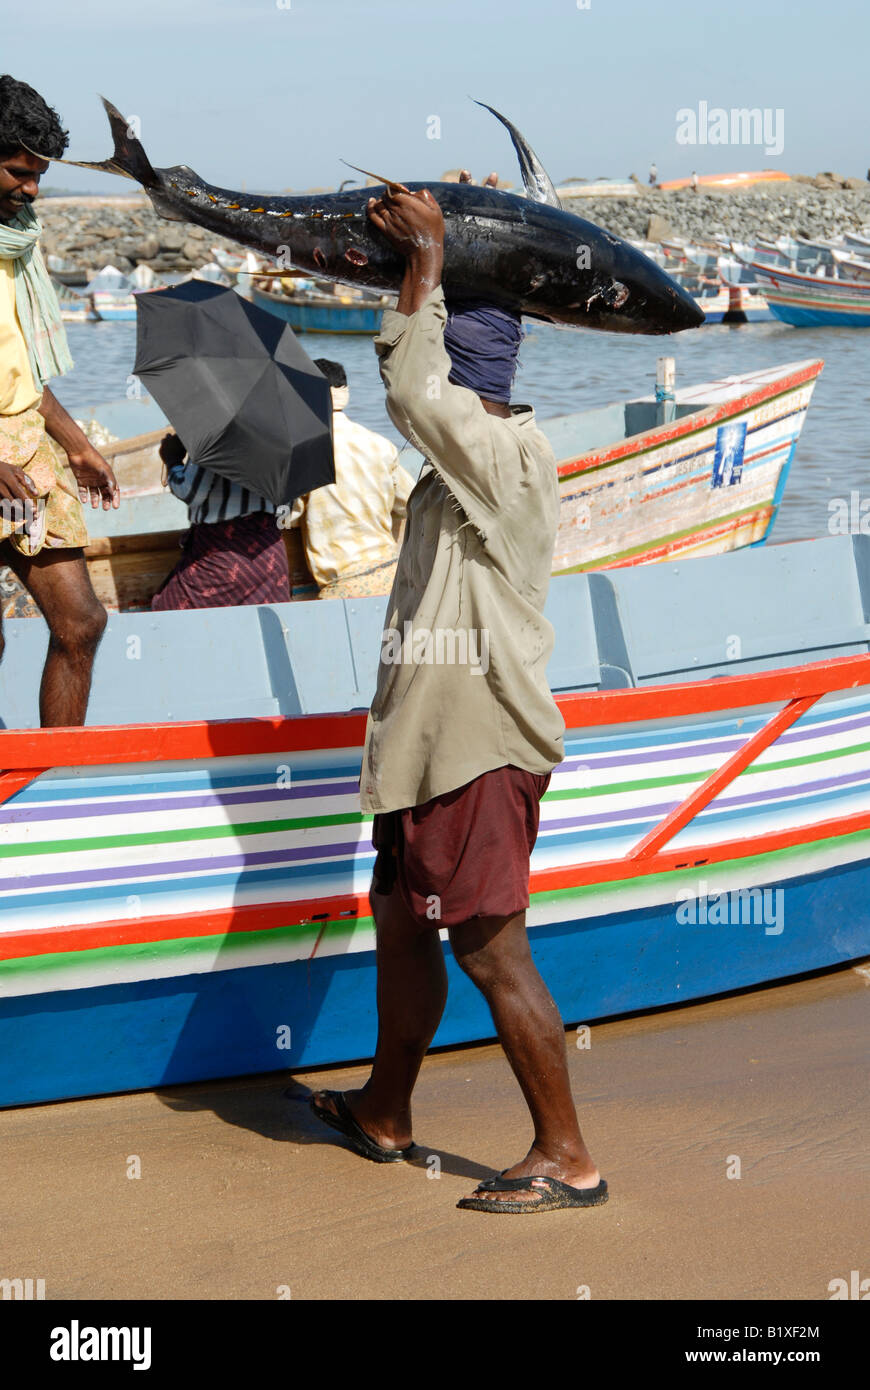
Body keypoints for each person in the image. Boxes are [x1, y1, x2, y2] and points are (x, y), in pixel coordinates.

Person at [309, 187, 607, 1214]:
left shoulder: (505, 457)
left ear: (468, 376)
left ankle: (567, 1153)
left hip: (479, 751)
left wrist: (427, 260)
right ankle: (387, 1109)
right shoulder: (449, 477)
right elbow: (424, 407)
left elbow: (414, 394)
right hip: (422, 749)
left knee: (491, 946)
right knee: (402, 921)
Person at [0, 75, 119, 726]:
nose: (32, 190)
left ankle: (56, 785)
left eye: (40, 174)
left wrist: (76, 445)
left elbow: (22, 370)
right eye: (19, 172)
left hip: (26, 447)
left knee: (82, 623)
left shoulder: (16, 246)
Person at [283, 359, 411, 599]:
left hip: (342, 587)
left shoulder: (302, 453)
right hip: (392, 577)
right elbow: (410, 502)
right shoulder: (380, 445)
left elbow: (288, 517)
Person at [150, 432, 290, 609]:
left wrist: (173, 461)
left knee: (167, 615)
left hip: (222, 558)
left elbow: (190, 491)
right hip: (270, 554)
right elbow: (289, 504)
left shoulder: (214, 429)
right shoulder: (282, 433)